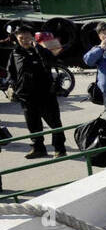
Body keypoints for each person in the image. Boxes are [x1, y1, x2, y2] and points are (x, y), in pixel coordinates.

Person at [6, 25, 64, 157]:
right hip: (26, 96)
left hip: (46, 93)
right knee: (33, 124)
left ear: (32, 37)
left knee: (54, 122)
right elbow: (12, 72)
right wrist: (13, 85)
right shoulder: (15, 53)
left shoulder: (41, 50)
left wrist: (38, 48)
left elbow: (52, 61)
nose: (24, 40)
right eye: (21, 38)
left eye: (27, 37)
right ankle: (38, 148)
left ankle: (60, 148)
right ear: (16, 38)